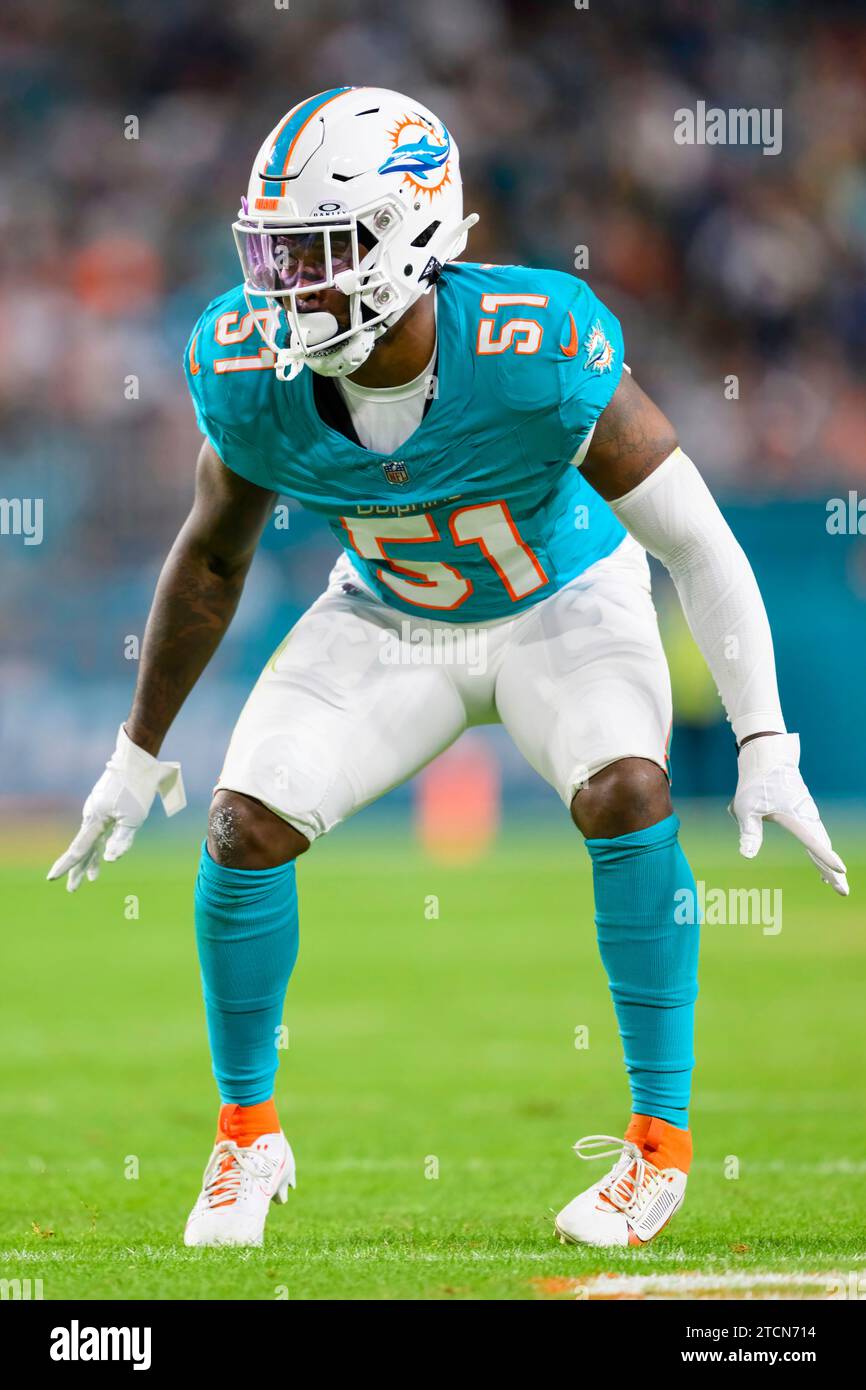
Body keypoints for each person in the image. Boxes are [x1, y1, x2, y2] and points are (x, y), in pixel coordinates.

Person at [48, 86, 848, 1249]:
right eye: (271, 251)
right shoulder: (247, 364)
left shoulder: (529, 349)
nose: (283, 286)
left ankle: (658, 1147)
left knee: (625, 787)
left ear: (409, 240)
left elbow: (695, 542)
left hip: (559, 601)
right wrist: (135, 756)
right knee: (239, 828)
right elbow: (212, 558)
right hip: (387, 615)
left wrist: (764, 738)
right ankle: (244, 1137)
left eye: (316, 253)